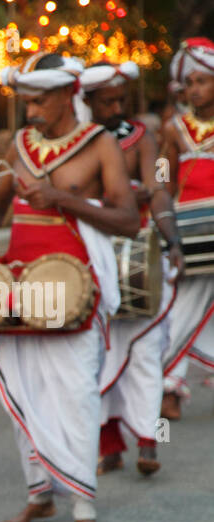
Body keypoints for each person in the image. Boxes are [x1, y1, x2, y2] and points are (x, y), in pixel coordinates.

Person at [0, 53, 140, 522]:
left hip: (74, 288)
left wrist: (64, 199)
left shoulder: (99, 146)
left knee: (73, 395)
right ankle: (39, 497)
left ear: (68, 95)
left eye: (39, 101)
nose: (30, 110)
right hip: (21, 283)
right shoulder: (19, 144)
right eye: (26, 101)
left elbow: (129, 219)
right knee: (25, 391)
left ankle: (83, 504)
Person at [81, 60, 184, 475]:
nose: (117, 107)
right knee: (98, 359)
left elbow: (157, 188)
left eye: (121, 99)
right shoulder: (74, 143)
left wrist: (172, 238)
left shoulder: (143, 137)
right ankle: (109, 447)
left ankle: (149, 444)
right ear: (86, 101)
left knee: (148, 355)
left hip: (139, 251)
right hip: (95, 254)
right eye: (107, 101)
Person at [159, 38, 214, 419]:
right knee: (180, 307)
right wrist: (160, 200)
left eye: (203, 81)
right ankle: (169, 386)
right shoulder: (173, 129)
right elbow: (162, 177)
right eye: (189, 82)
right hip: (190, 231)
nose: (195, 89)